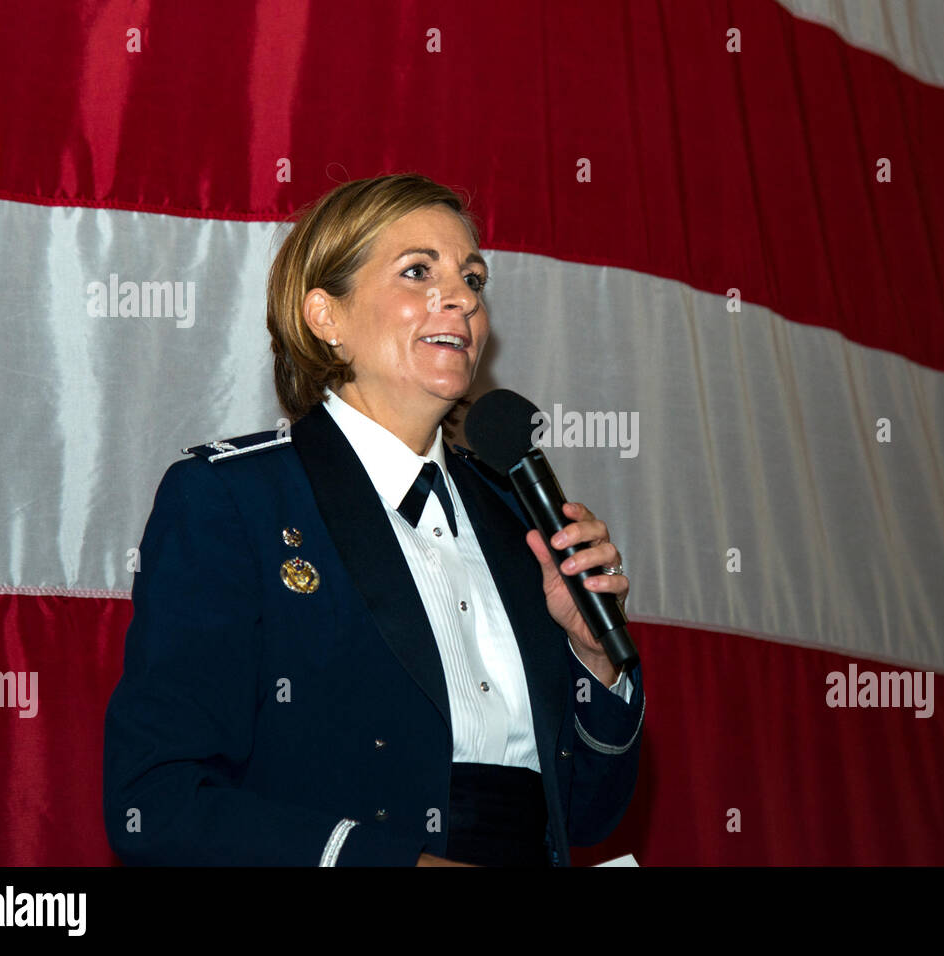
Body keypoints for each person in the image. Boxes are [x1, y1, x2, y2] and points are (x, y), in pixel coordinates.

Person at [102, 173, 644, 866]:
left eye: (473, 279)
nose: (462, 299)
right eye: (419, 271)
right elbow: (157, 803)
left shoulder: (517, 524)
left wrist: (595, 659)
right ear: (325, 316)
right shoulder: (234, 501)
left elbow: (589, 814)